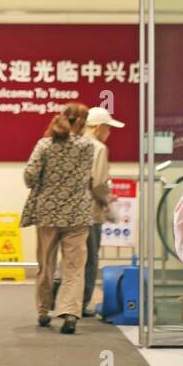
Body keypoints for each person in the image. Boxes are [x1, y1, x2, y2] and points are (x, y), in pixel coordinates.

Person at [21, 102, 95, 335]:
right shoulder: (88, 146)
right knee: (74, 267)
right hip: (77, 214)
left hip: (48, 214)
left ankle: (44, 310)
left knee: (46, 265)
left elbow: (29, 177)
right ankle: (70, 312)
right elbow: (87, 179)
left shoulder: (45, 145)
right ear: (83, 123)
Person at [80, 107, 123, 316]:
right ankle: (80, 304)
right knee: (90, 260)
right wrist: (107, 198)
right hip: (91, 211)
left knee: (73, 258)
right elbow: (98, 182)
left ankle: (58, 297)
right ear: (98, 128)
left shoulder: (75, 143)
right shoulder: (98, 148)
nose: (109, 133)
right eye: (108, 128)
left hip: (72, 210)